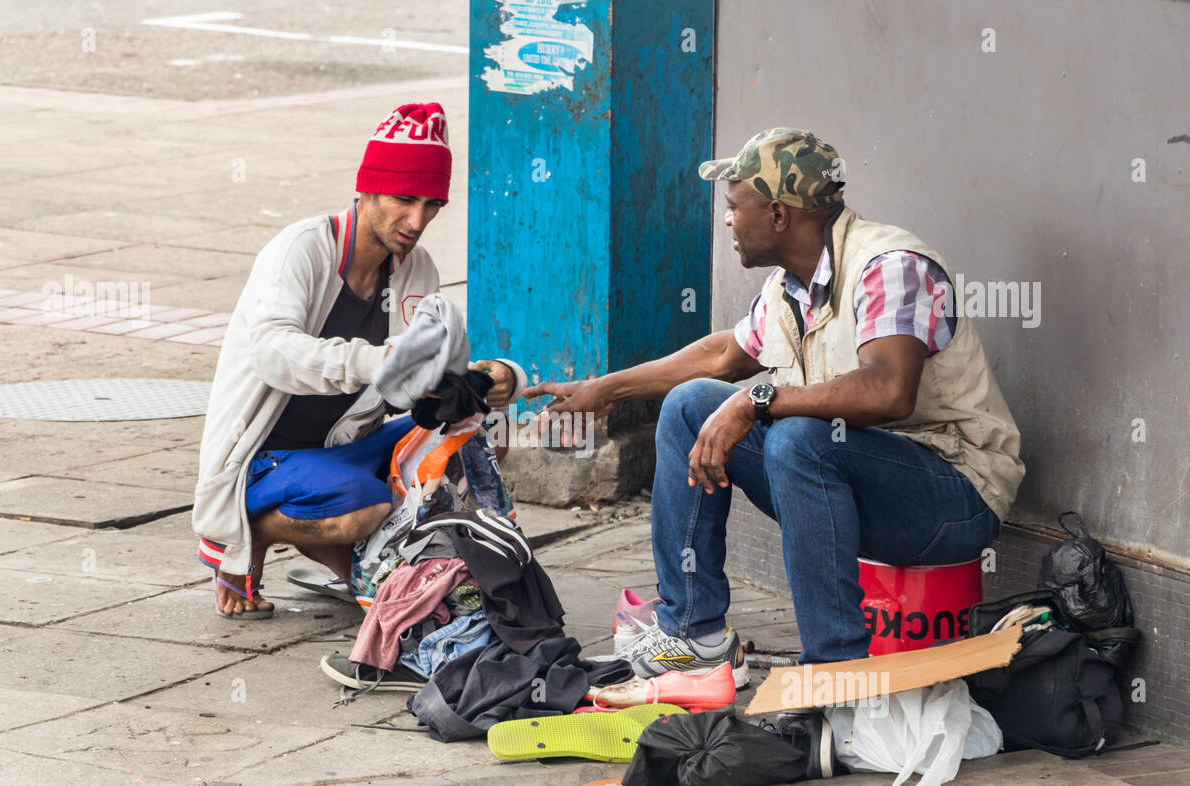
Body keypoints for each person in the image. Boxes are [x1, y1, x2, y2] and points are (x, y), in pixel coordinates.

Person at [524, 127, 1024, 683]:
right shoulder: (791, 286)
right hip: (862, 485)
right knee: (692, 406)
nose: (728, 220)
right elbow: (721, 358)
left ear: (779, 215)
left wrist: (759, 401)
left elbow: (888, 390)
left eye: (735, 207)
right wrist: (605, 389)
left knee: (798, 435)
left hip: (953, 497)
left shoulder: (889, 265)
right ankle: (694, 633)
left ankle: (835, 669)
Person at [193, 102, 525, 618]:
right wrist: (379, 363)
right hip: (264, 457)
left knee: (482, 435)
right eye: (403, 199)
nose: (418, 220)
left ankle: (383, 566)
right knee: (364, 508)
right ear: (367, 190)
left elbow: (415, 381)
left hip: (344, 448)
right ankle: (244, 532)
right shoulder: (300, 250)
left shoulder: (416, 271)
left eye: (432, 203)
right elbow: (272, 353)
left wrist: (491, 378)